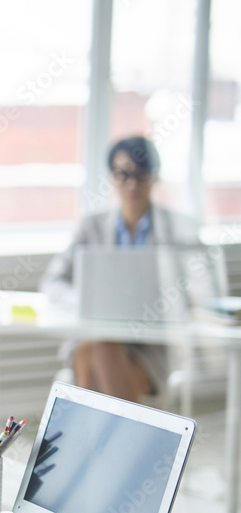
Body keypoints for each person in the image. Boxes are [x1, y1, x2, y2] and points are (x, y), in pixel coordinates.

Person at [39, 136, 200, 403]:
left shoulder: (178, 228)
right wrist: (85, 300)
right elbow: (53, 281)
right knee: (102, 347)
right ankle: (131, 442)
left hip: (149, 346)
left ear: (154, 177)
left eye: (141, 175)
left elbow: (195, 288)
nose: (132, 184)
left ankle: (91, 444)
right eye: (123, 174)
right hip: (92, 336)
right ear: (111, 176)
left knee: (100, 357)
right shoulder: (91, 226)